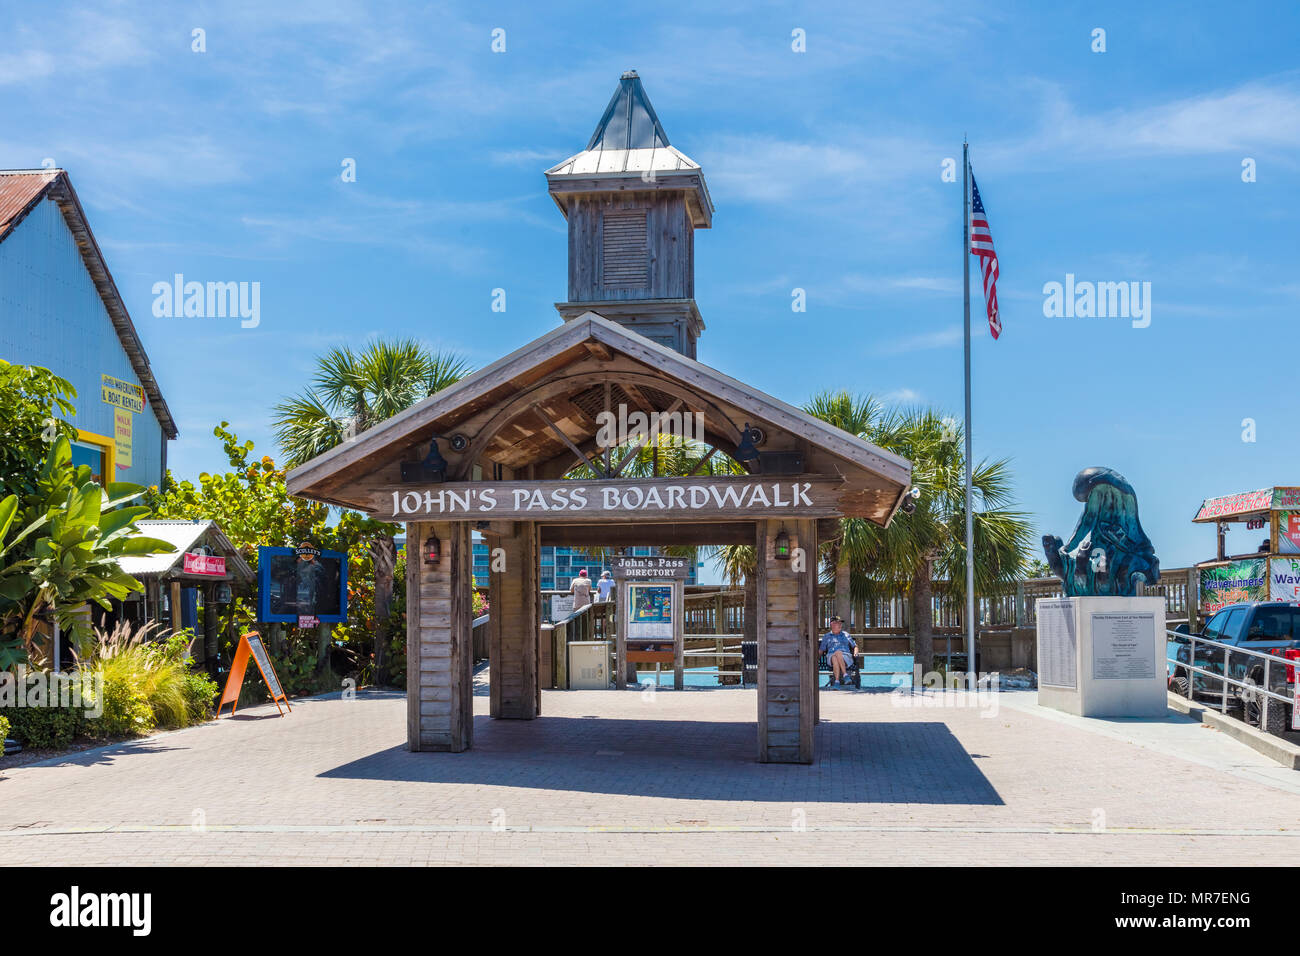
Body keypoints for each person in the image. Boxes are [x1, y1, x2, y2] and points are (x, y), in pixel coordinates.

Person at [818, 616, 857, 688]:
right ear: (832, 624)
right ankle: (845, 675)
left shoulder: (846, 634)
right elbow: (821, 649)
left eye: (840, 623)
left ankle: (837, 682)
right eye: (838, 623)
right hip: (831, 656)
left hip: (846, 656)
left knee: (836, 654)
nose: (840, 625)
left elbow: (854, 646)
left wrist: (855, 653)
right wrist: (816, 659)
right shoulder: (826, 636)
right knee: (835, 655)